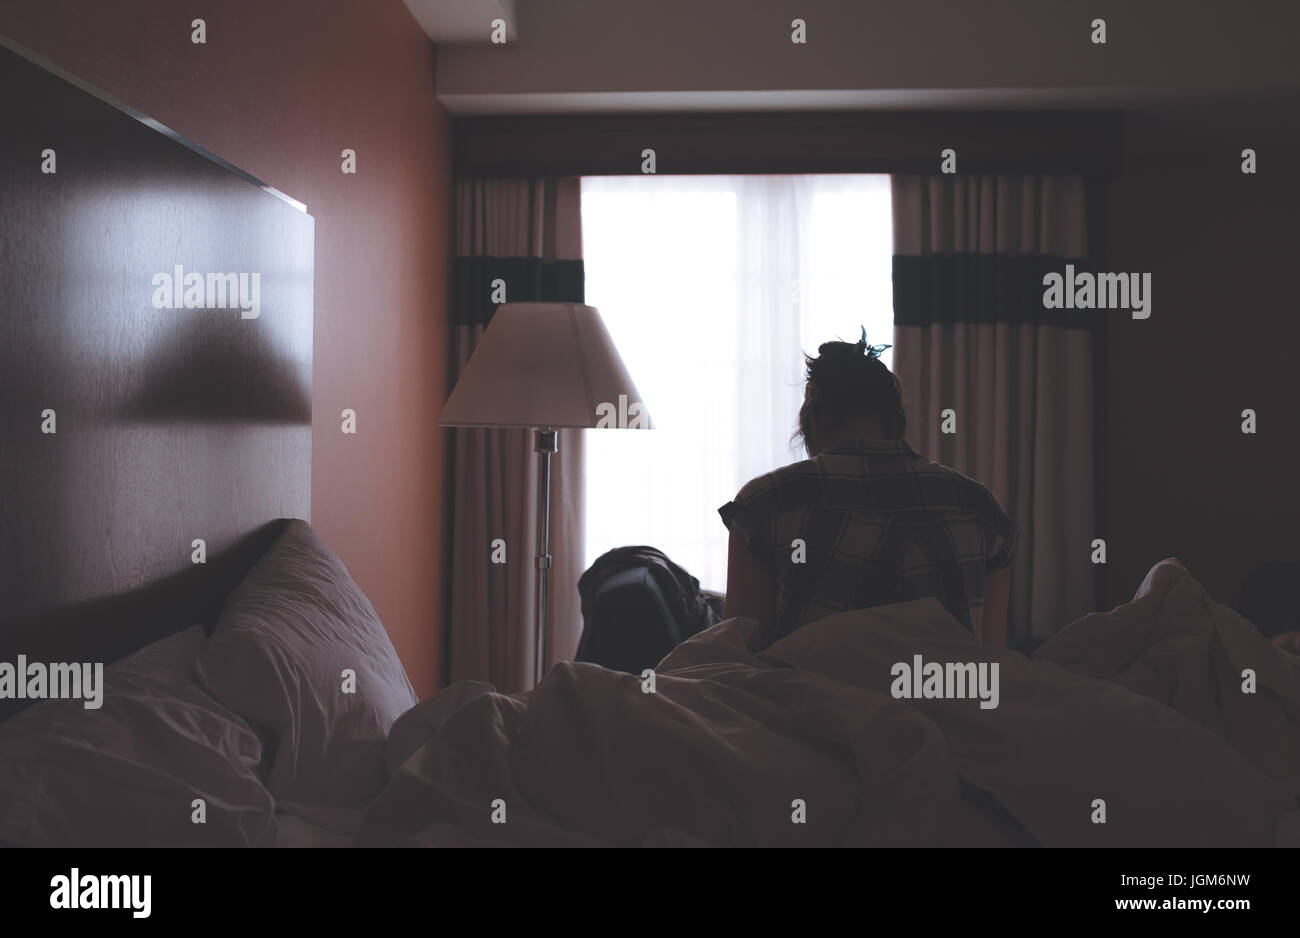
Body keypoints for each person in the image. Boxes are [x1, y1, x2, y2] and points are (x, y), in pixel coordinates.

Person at [718, 333, 1017, 647]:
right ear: (896, 421)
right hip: (942, 692)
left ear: (813, 422)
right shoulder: (981, 508)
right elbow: (991, 657)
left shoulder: (764, 502)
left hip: (806, 694)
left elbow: (738, 659)